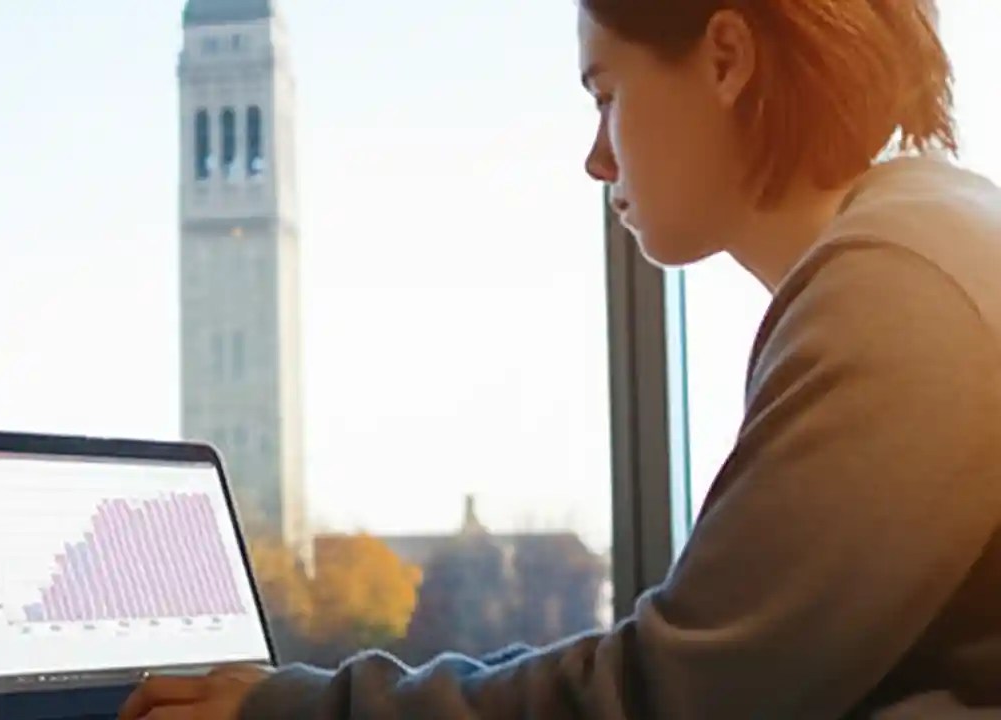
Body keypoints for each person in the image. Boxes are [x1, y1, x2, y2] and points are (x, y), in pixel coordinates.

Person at [120, 1, 1001, 717]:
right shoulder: (927, 237)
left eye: (605, 94)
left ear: (727, 58)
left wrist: (290, 711)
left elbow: (667, 698)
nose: (596, 157)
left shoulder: (900, 287)